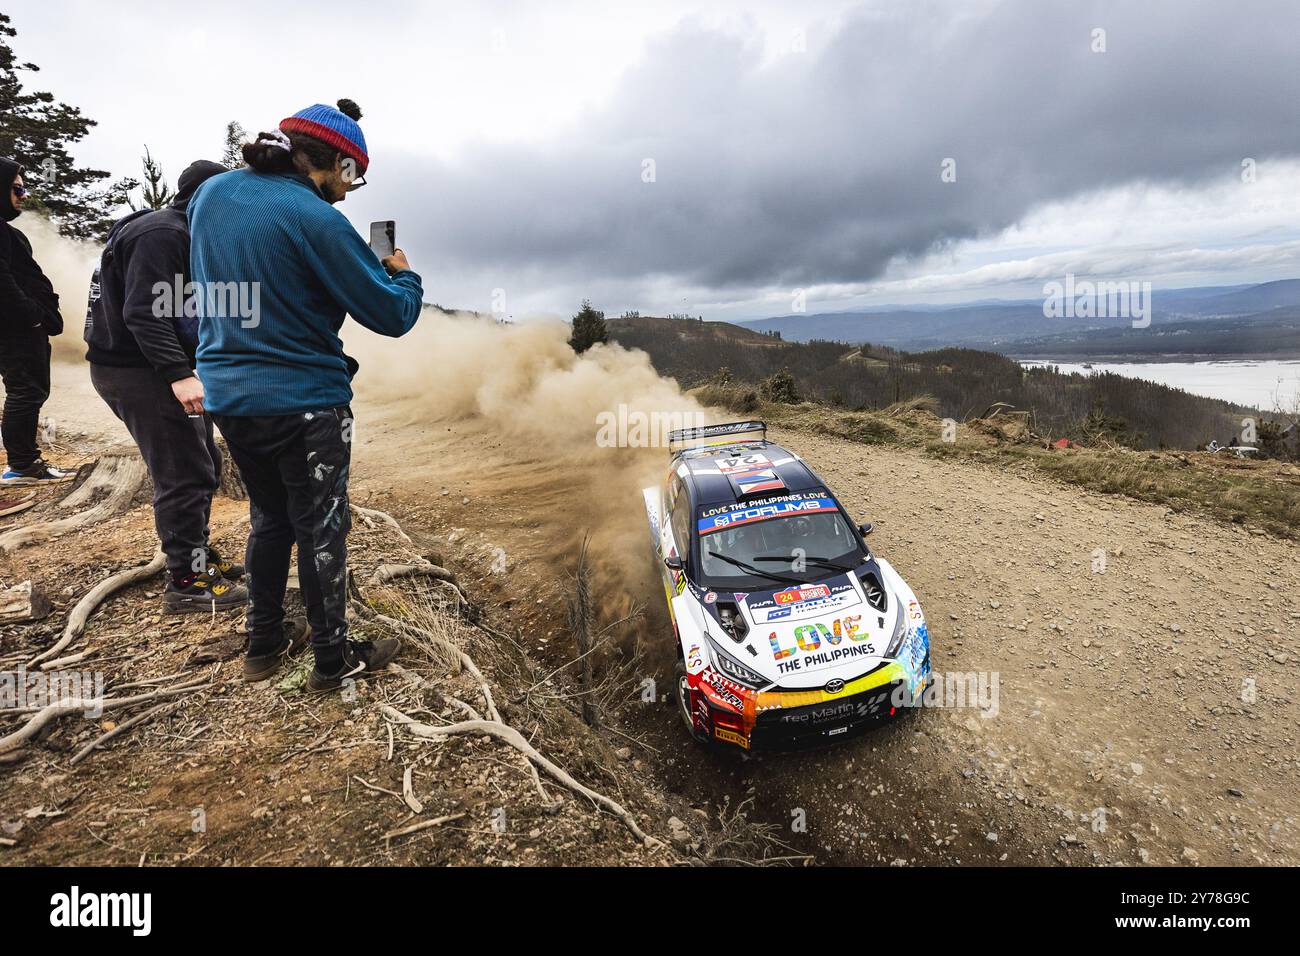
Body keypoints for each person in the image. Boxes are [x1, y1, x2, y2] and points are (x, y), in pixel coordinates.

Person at [189, 99, 423, 688]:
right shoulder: (316, 218)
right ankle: (331, 660)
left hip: (229, 396)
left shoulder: (210, 196)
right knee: (323, 526)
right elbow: (392, 315)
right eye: (353, 177)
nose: (350, 192)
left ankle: (263, 645)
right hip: (306, 403)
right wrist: (402, 272)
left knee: (270, 519)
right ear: (339, 165)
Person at [86, 160, 251, 615]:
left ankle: (196, 558)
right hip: (141, 371)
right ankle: (187, 582)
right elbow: (143, 312)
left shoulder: (179, 230)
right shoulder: (163, 234)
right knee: (183, 471)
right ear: (208, 197)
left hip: (149, 367)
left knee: (203, 463)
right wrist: (179, 374)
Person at [0, 157, 71, 484]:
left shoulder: (6, 231)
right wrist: (31, 317)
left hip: (20, 327)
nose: (23, 195)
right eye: (17, 188)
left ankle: (24, 463)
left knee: (28, 390)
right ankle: (23, 466)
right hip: (15, 330)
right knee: (25, 391)